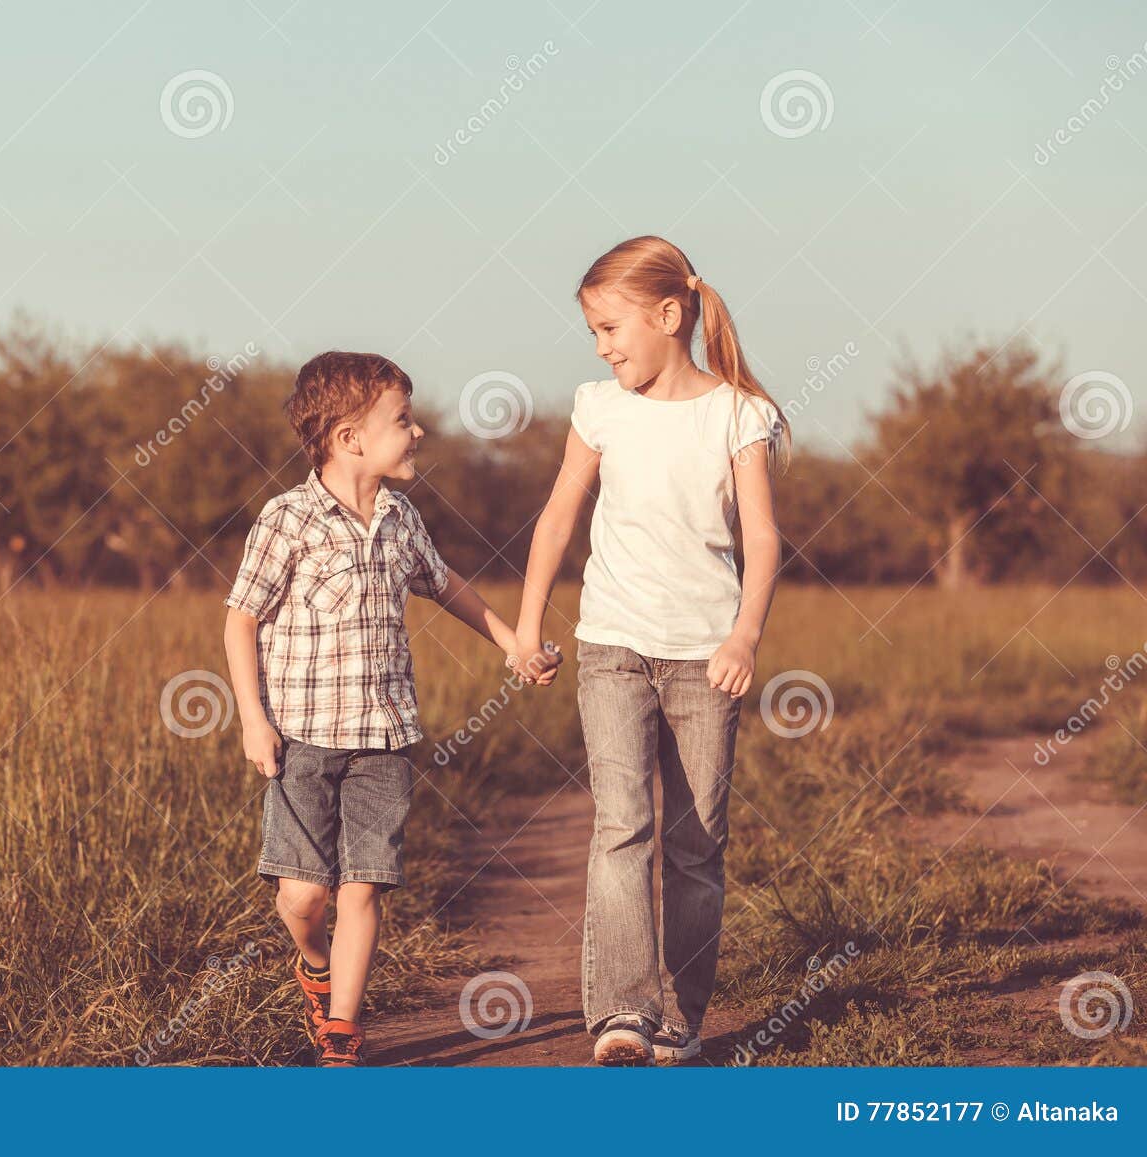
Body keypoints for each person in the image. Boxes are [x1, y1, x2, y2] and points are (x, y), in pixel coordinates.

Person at [223, 350, 560, 1066]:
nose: (419, 432)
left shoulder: (401, 518)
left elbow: (448, 587)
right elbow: (241, 620)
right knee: (302, 900)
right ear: (351, 438)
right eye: (403, 420)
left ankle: (343, 1027)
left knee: (364, 887)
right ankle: (313, 964)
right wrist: (253, 717)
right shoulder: (287, 519)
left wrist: (513, 644)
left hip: (385, 740)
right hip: (302, 740)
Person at [514, 235, 789, 1065]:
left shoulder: (738, 412)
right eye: (593, 332)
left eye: (610, 327)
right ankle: (623, 1014)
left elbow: (766, 539)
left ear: (669, 316)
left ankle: (684, 1017)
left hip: (706, 656)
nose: (602, 346)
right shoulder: (599, 406)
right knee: (621, 825)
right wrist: (528, 623)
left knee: (696, 842)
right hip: (611, 646)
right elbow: (560, 515)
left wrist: (745, 633)